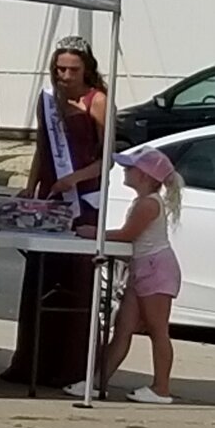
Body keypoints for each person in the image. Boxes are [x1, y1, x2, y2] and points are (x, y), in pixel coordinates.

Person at [2, 36, 109, 388]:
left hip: (83, 198)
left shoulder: (98, 102)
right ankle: (34, 362)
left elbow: (106, 159)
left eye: (73, 70)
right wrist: (32, 185)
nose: (65, 76)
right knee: (44, 276)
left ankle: (72, 367)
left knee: (75, 282)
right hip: (52, 193)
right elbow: (42, 149)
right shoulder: (48, 102)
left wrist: (72, 179)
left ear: (87, 70)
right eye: (60, 69)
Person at [67, 148, 183, 404]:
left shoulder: (149, 204)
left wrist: (94, 234)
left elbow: (127, 234)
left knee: (157, 330)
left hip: (156, 270)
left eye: (130, 169)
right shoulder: (144, 202)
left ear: (144, 176)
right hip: (142, 269)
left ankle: (161, 388)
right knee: (122, 328)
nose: (125, 171)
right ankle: (98, 382)